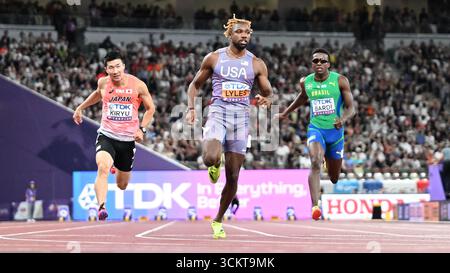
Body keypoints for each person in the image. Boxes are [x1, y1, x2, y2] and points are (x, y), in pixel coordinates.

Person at [186, 14, 273, 238]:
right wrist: (192, 108)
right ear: (229, 34)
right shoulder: (214, 59)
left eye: (247, 33)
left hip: (241, 119)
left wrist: (266, 99)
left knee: (233, 177)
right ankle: (214, 164)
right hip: (218, 113)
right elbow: (194, 85)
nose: (244, 36)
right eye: (239, 32)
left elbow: (268, 92)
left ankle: (217, 220)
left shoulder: (256, 63)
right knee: (210, 158)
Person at [73, 51, 155, 220]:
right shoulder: (103, 83)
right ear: (106, 69)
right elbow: (97, 94)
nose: (115, 70)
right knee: (102, 167)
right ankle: (101, 206)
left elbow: (150, 109)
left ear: (123, 66)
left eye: (118, 66)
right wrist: (80, 107)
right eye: (111, 67)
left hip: (127, 140)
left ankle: (116, 165)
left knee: (122, 185)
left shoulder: (138, 85)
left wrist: (142, 128)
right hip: (107, 135)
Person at [275, 48, 355, 220]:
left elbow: (351, 108)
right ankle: (315, 206)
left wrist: (343, 119)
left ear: (328, 64)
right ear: (312, 64)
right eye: (316, 61)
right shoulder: (306, 82)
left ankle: (328, 160)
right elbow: (302, 97)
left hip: (335, 134)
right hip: (316, 129)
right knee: (315, 161)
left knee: (334, 177)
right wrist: (285, 113)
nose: (319, 63)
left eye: (323, 61)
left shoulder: (340, 81)